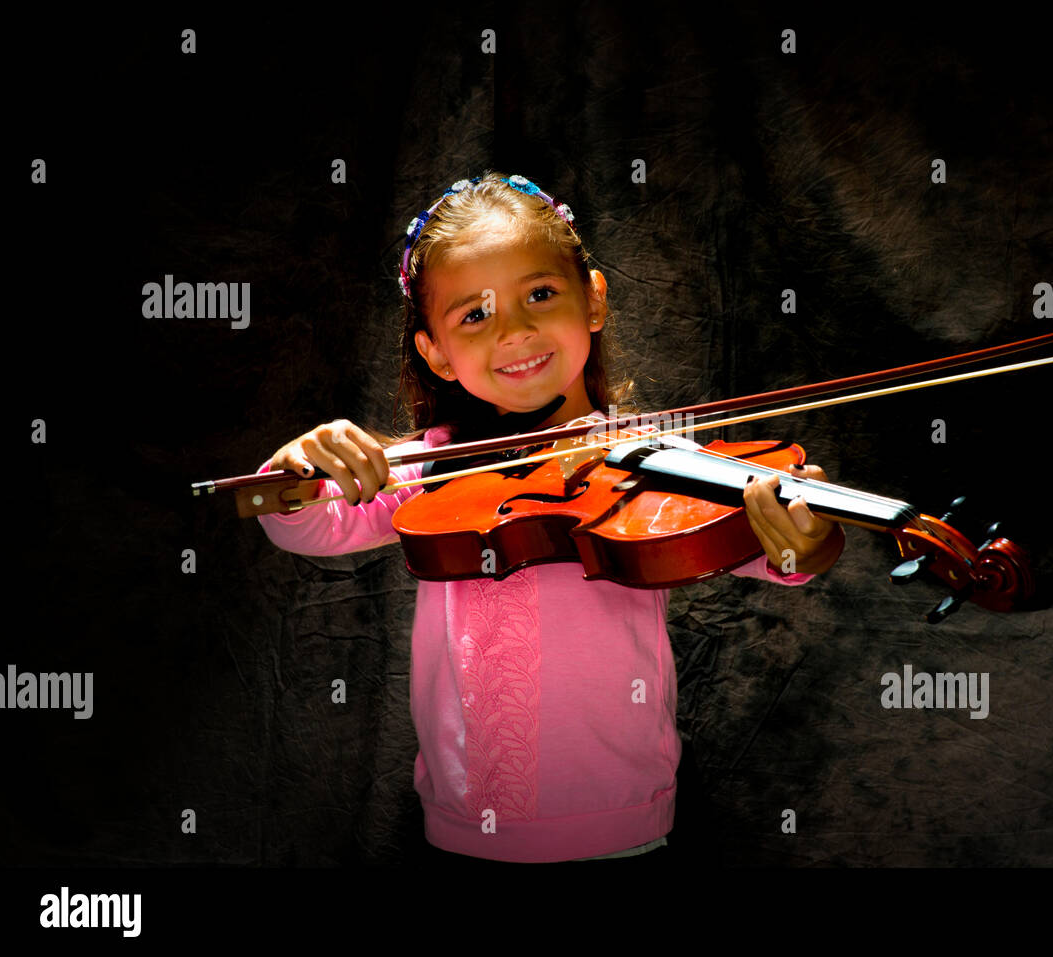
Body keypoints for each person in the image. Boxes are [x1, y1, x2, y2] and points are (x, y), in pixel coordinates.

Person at [254, 171, 846, 863]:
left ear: (593, 300)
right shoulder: (427, 468)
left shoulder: (651, 459)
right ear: (436, 352)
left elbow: (773, 554)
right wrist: (296, 470)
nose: (516, 330)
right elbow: (305, 521)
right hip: (462, 829)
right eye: (474, 315)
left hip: (622, 825)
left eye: (540, 294)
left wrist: (804, 540)